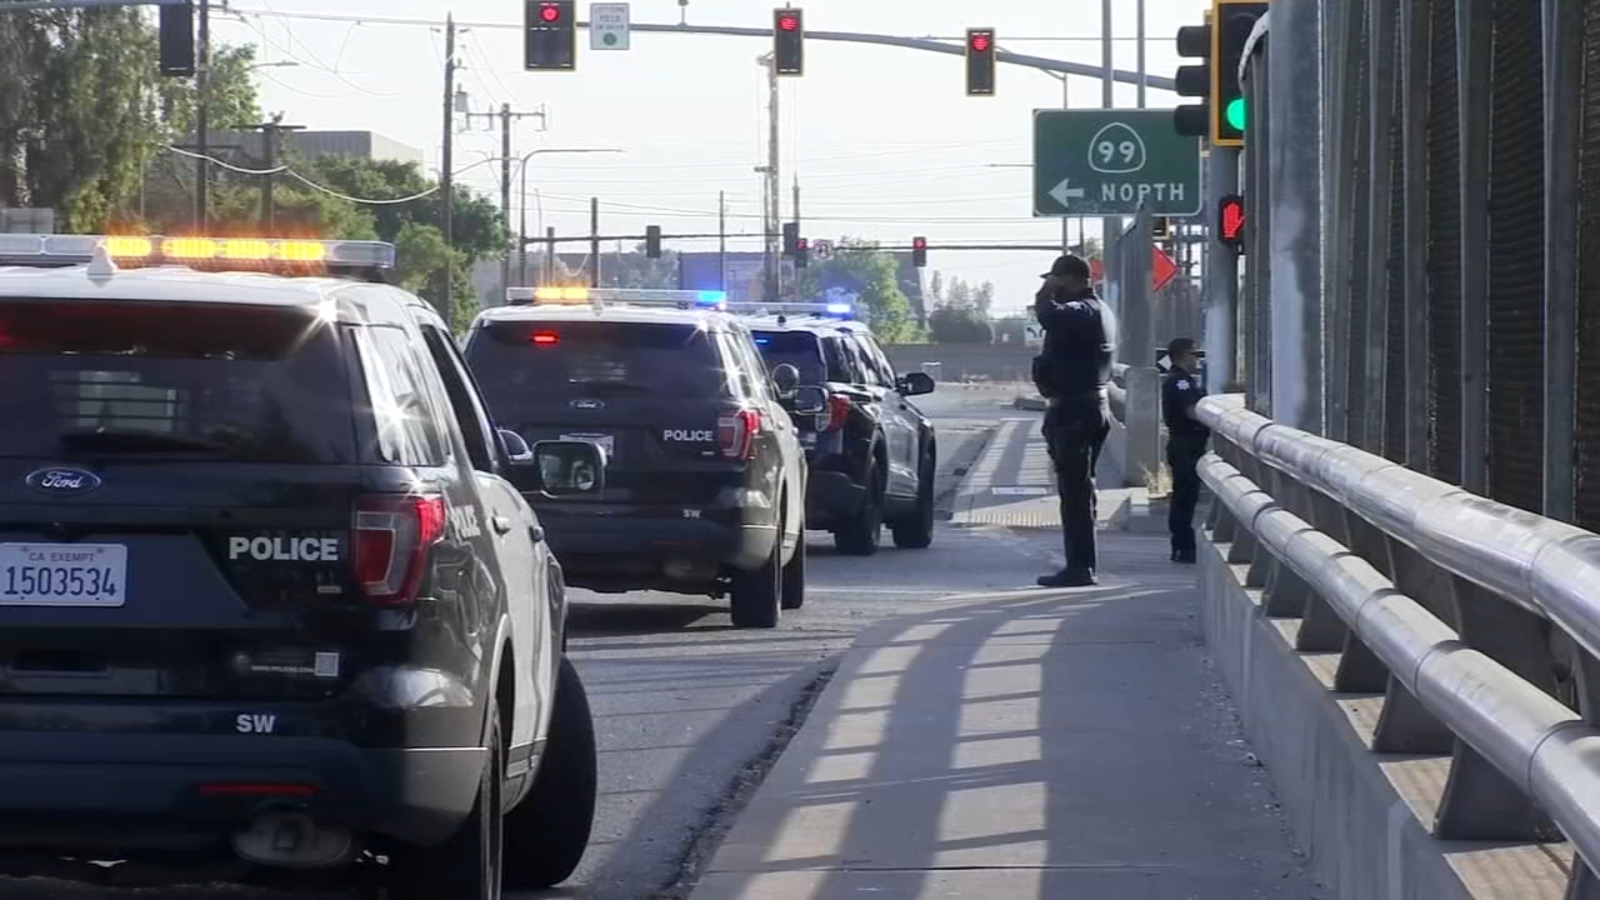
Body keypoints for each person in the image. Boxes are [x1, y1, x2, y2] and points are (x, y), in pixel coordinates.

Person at [1031, 254, 1116, 588]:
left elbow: (1048, 316)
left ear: (1077, 280)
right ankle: (1082, 564)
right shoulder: (1097, 311)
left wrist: (1044, 293)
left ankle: (1080, 568)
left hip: (1076, 413)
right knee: (1080, 490)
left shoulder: (1083, 310)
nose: (1054, 287)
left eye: (1058, 281)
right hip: (1087, 408)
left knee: (1075, 493)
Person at [1162, 337, 1210, 564]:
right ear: (1183, 355)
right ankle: (1183, 546)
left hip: (1189, 446)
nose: (1197, 359)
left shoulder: (1184, 380)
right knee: (1184, 498)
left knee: (1186, 498)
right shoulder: (1179, 382)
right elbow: (1192, 410)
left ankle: (1182, 545)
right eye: (1194, 354)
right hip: (1185, 445)